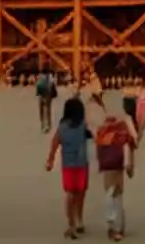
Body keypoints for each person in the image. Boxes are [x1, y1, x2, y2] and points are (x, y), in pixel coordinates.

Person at [45, 97, 92, 240]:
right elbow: (92, 135)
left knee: (70, 194)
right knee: (81, 193)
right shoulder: (83, 124)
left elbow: (55, 142)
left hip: (68, 166)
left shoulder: (62, 127)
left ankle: (71, 222)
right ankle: (79, 219)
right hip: (82, 164)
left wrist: (50, 160)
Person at [95, 110, 138, 242]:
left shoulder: (102, 135)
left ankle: (113, 226)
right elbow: (128, 158)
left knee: (110, 196)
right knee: (118, 198)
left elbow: (98, 154)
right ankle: (118, 227)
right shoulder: (123, 136)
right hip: (118, 171)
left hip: (108, 171)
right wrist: (130, 170)